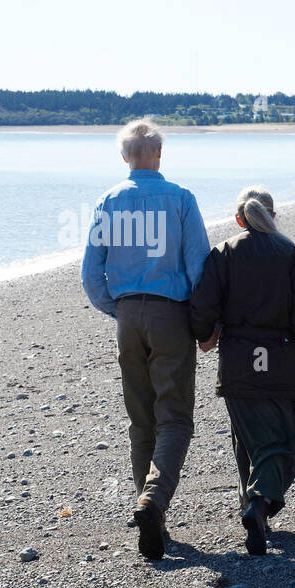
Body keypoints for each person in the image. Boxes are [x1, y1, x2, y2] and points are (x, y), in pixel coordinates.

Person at [82, 118, 210, 560]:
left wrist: (118, 310)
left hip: (128, 315)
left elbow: (90, 273)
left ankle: (149, 513)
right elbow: (199, 268)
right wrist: (205, 325)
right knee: (174, 417)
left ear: (124, 157)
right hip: (169, 312)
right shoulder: (180, 198)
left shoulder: (109, 201)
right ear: (159, 154)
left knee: (141, 419)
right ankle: (153, 502)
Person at [189, 186, 295, 555]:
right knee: (282, 445)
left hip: (239, 363)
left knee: (246, 440)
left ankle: (252, 506)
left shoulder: (225, 253)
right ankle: (259, 506)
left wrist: (205, 335)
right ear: (273, 216)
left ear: (238, 218)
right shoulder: (293, 255)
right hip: (283, 362)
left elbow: (202, 305)